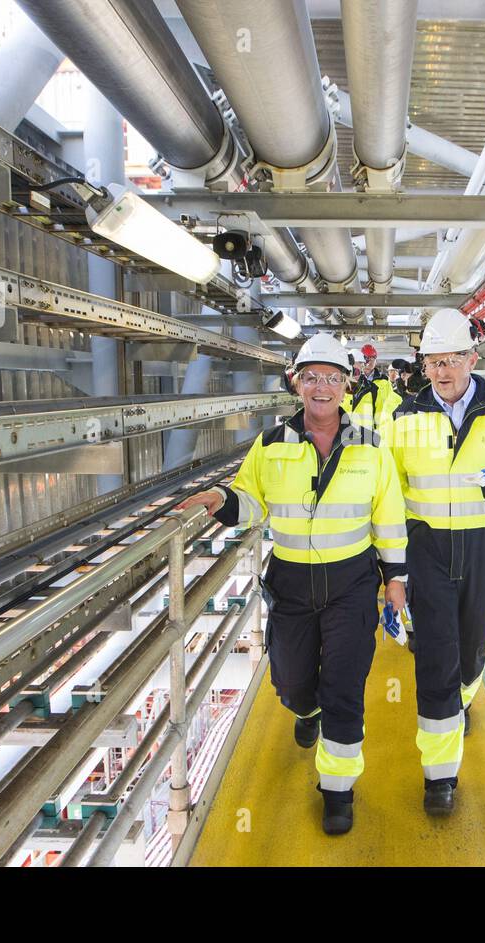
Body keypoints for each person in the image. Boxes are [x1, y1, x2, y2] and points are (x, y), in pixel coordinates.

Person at [178, 332, 407, 836]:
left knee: (345, 687)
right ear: (296, 384)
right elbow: (252, 499)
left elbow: (388, 516)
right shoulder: (270, 444)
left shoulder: (372, 448)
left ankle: (338, 788)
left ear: (347, 385)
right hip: (292, 581)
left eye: (331, 377)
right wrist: (222, 499)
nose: (321, 387)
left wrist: (395, 579)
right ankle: (307, 707)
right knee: (292, 682)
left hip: (351, 581)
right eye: (311, 377)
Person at [388, 309, 485, 817]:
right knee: (436, 654)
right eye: (434, 361)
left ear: (472, 359)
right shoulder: (405, 418)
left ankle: (464, 696)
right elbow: (388, 490)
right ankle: (440, 777)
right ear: (425, 364)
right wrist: (389, 565)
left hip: (484, 544)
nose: (443, 370)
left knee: (474, 649)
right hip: (427, 546)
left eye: (453, 359)